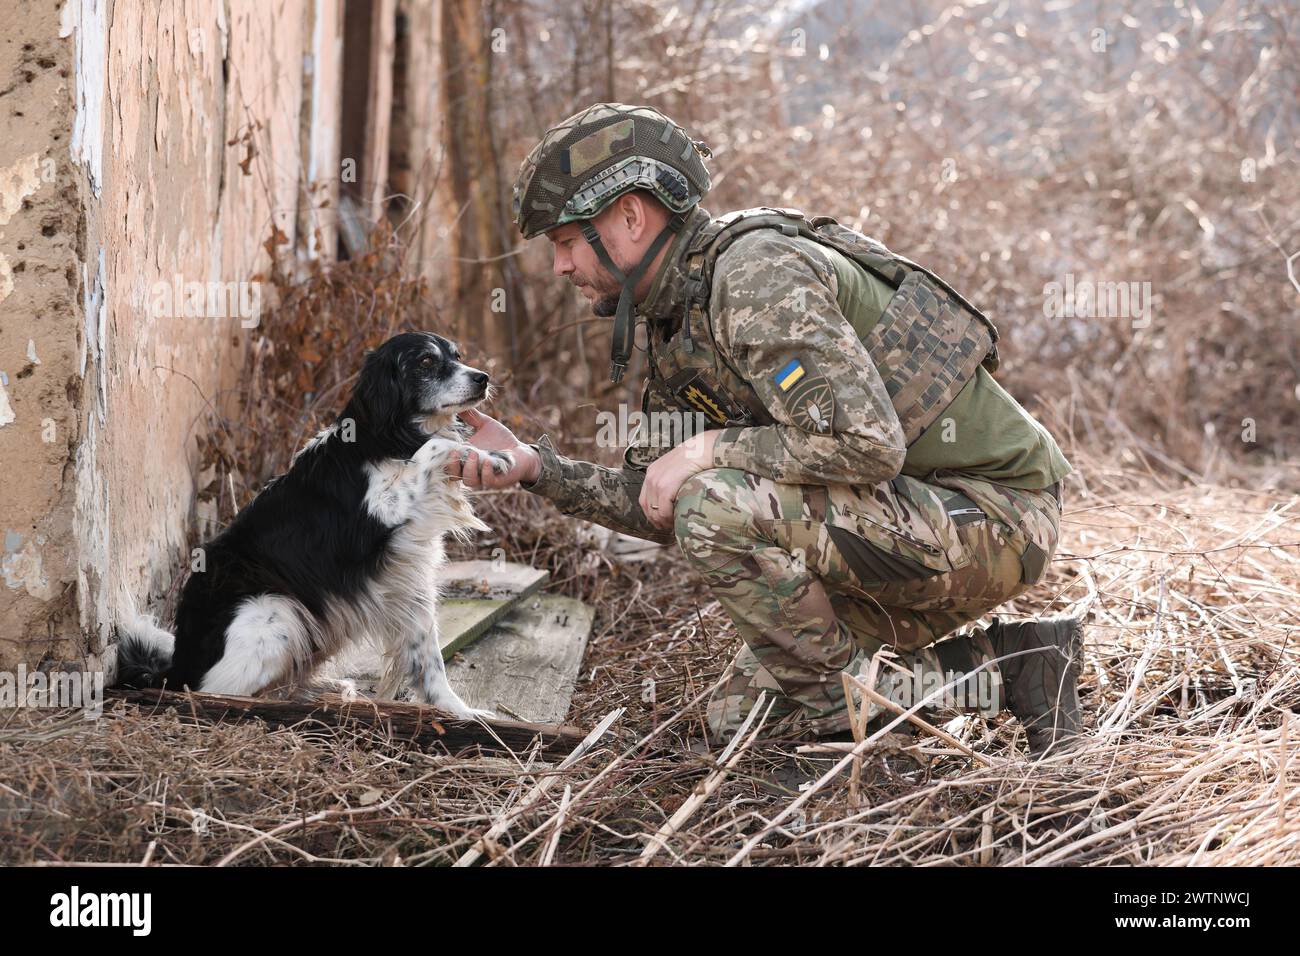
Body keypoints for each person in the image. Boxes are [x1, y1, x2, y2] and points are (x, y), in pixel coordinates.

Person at [448, 103, 1083, 755]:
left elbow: (864, 446)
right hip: (899, 524)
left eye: (564, 242)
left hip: (995, 514)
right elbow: (655, 499)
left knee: (714, 501)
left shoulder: (754, 275)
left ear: (630, 217)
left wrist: (708, 449)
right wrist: (533, 468)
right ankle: (1012, 667)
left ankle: (846, 709)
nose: (559, 267)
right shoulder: (679, 314)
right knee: (742, 719)